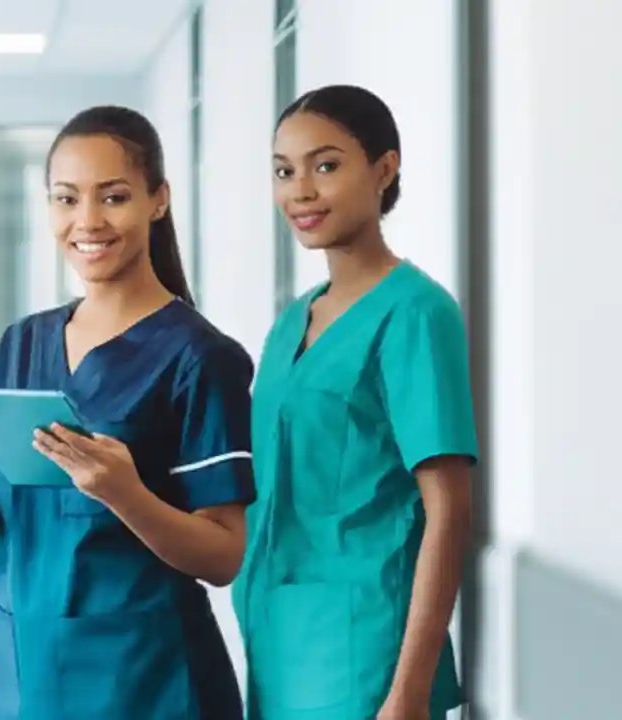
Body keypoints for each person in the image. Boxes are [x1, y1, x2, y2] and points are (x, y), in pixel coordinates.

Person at [0, 105, 255, 719]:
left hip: (147, 679)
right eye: (66, 199)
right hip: (28, 671)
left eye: (114, 196)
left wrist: (124, 492)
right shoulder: (21, 344)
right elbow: (40, 502)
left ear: (159, 200)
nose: (87, 221)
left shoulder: (200, 358)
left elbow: (224, 555)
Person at [235, 84, 477, 720]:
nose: (301, 191)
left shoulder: (417, 314)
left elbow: (448, 511)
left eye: (326, 165)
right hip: (275, 634)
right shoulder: (293, 322)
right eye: (284, 171)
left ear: (384, 168)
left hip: (365, 649)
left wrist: (408, 691)